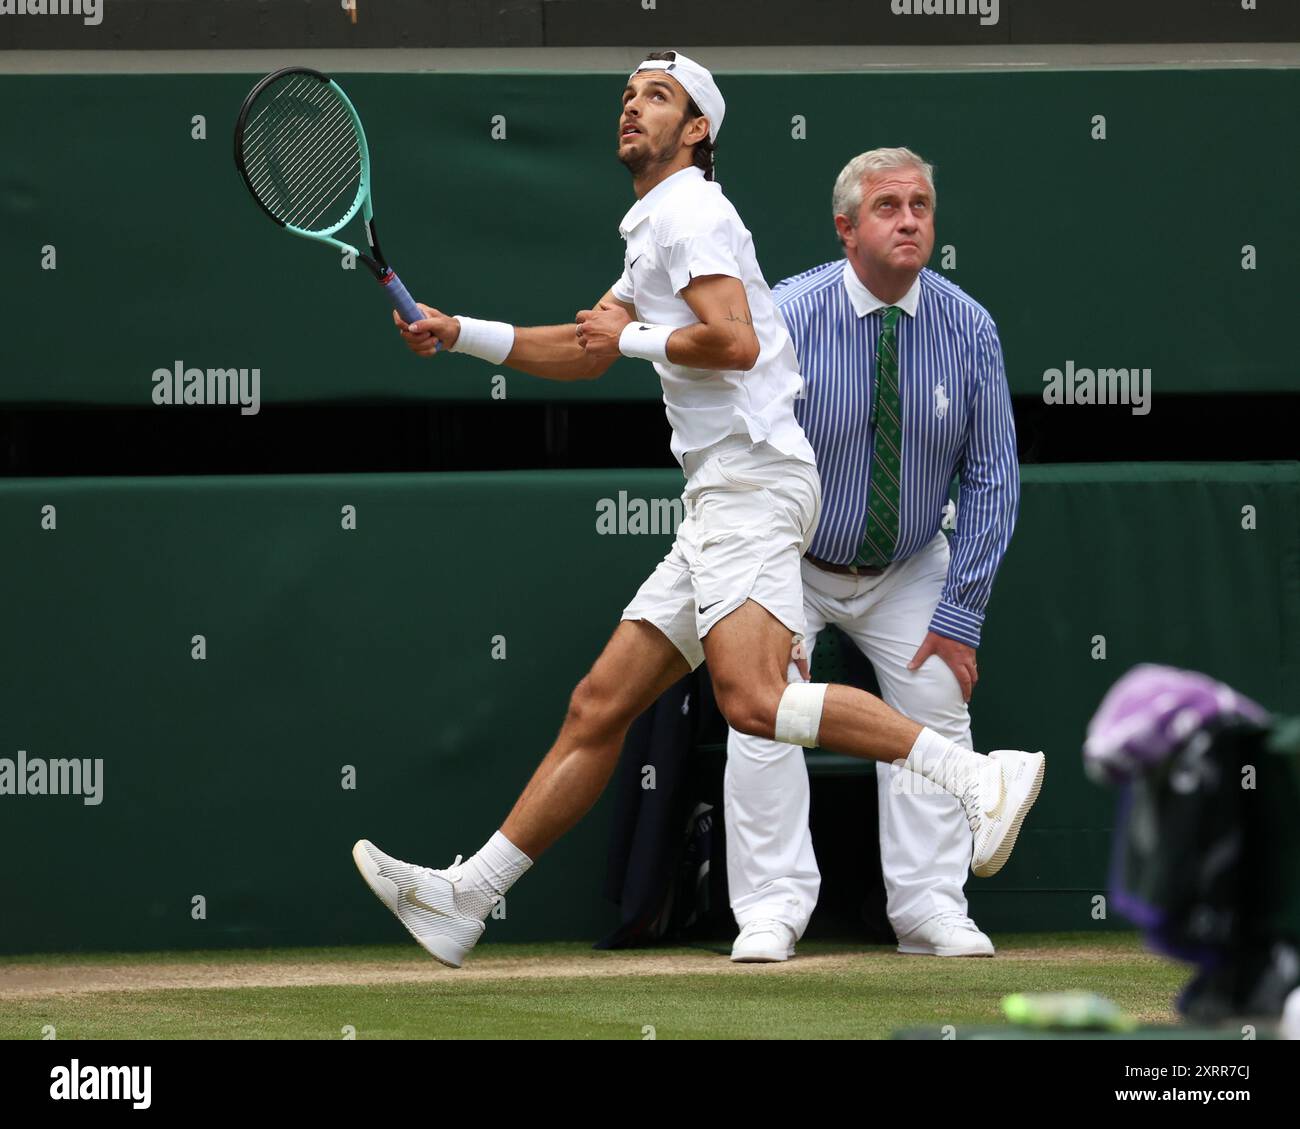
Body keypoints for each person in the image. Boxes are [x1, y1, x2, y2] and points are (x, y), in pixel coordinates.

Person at [351, 55, 1044, 968]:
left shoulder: (694, 211)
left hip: (754, 485)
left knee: (755, 701)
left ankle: (972, 776)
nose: (633, 109)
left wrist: (635, 337)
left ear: (698, 131)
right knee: (599, 704)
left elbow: (735, 340)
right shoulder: (653, 227)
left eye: (658, 97)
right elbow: (587, 349)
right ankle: (466, 897)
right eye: (628, 96)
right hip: (723, 492)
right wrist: (462, 332)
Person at [726, 148, 1021, 964]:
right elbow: (745, 453)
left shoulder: (970, 327)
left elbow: (994, 476)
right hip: (792, 552)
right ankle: (772, 908)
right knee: (765, 705)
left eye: (921, 205)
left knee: (935, 696)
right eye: (889, 207)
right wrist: (765, 586)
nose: (910, 220)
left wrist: (960, 615)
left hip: (909, 561)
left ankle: (929, 907)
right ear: (846, 228)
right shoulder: (788, 312)